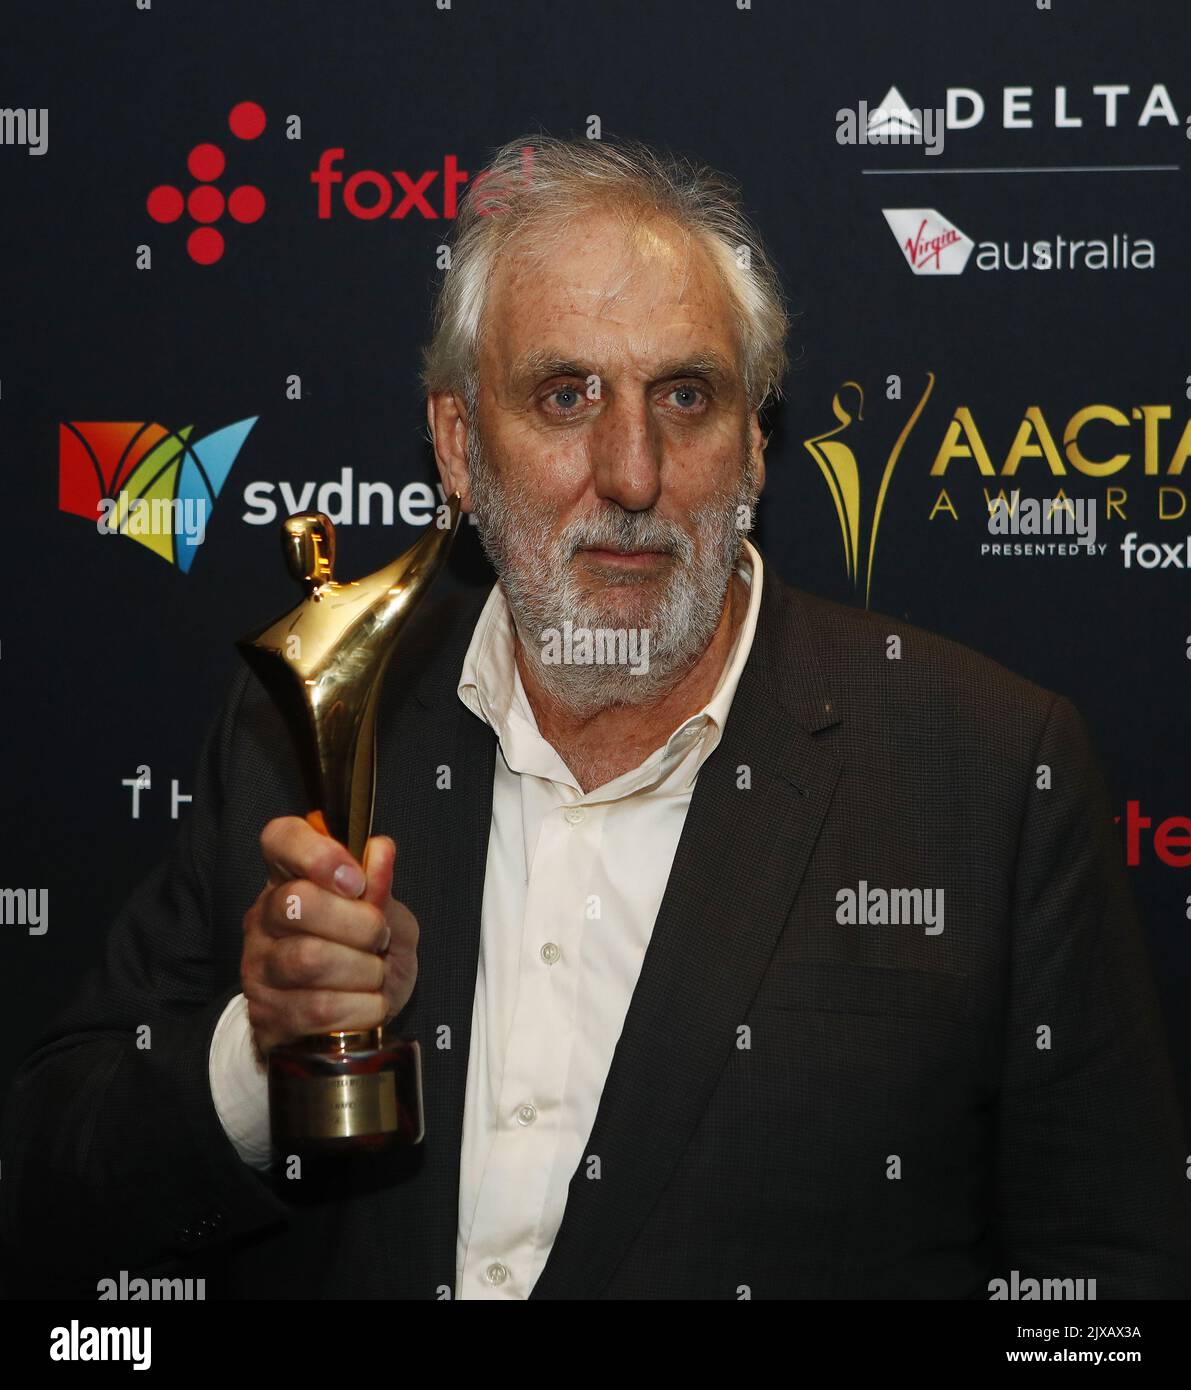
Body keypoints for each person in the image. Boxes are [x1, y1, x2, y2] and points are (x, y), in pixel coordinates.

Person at [3, 135, 1189, 1300]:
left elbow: (1108, 1272)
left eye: (686, 395)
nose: (631, 471)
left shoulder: (987, 769)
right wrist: (261, 1054)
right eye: (565, 396)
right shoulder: (308, 727)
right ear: (460, 446)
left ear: (759, 447)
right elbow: (54, 1191)